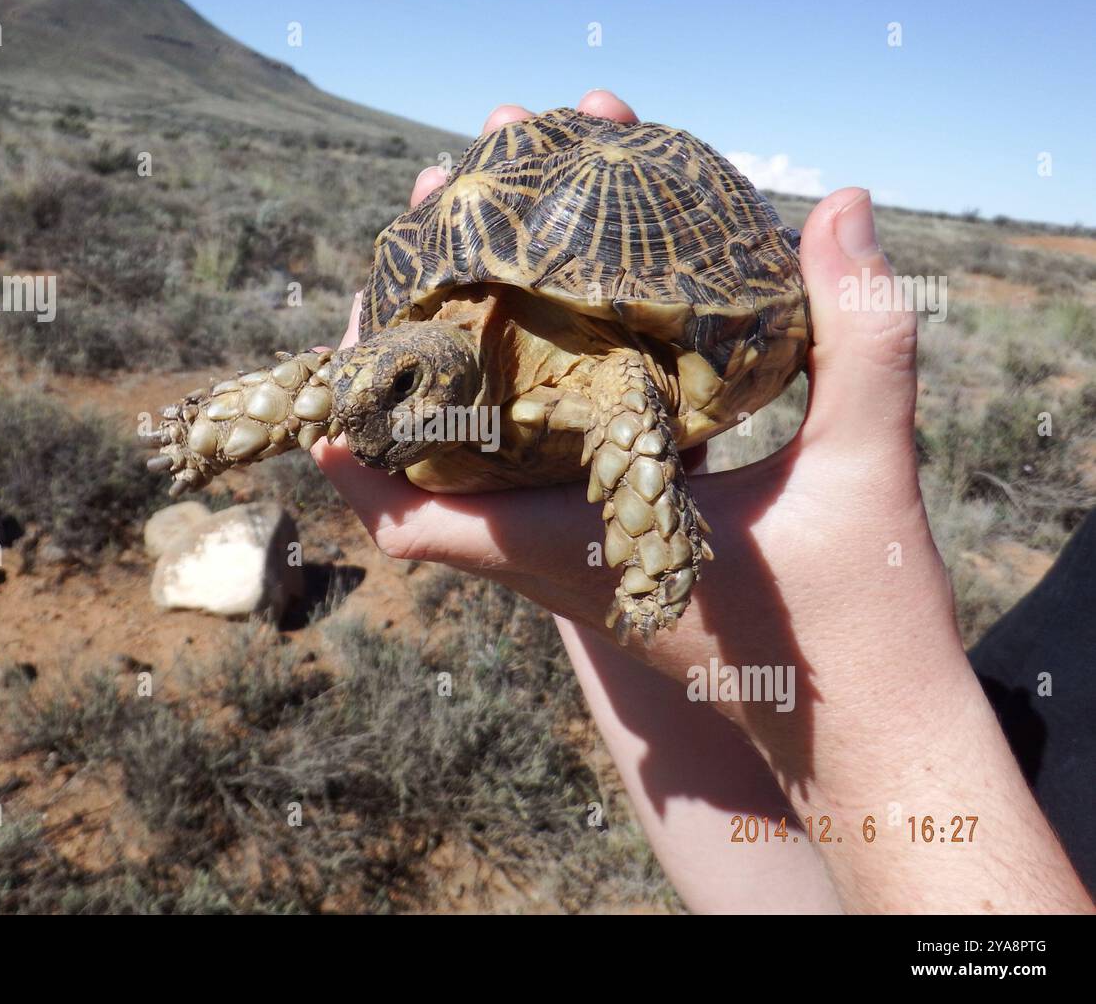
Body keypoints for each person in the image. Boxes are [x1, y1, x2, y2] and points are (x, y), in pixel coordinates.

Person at [311, 90, 1093, 915]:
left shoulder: (614, 375)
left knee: (622, 403)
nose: (375, 414)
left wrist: (876, 719)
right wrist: (580, 566)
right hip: (958, 783)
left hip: (637, 338)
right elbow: (775, 889)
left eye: (400, 387)